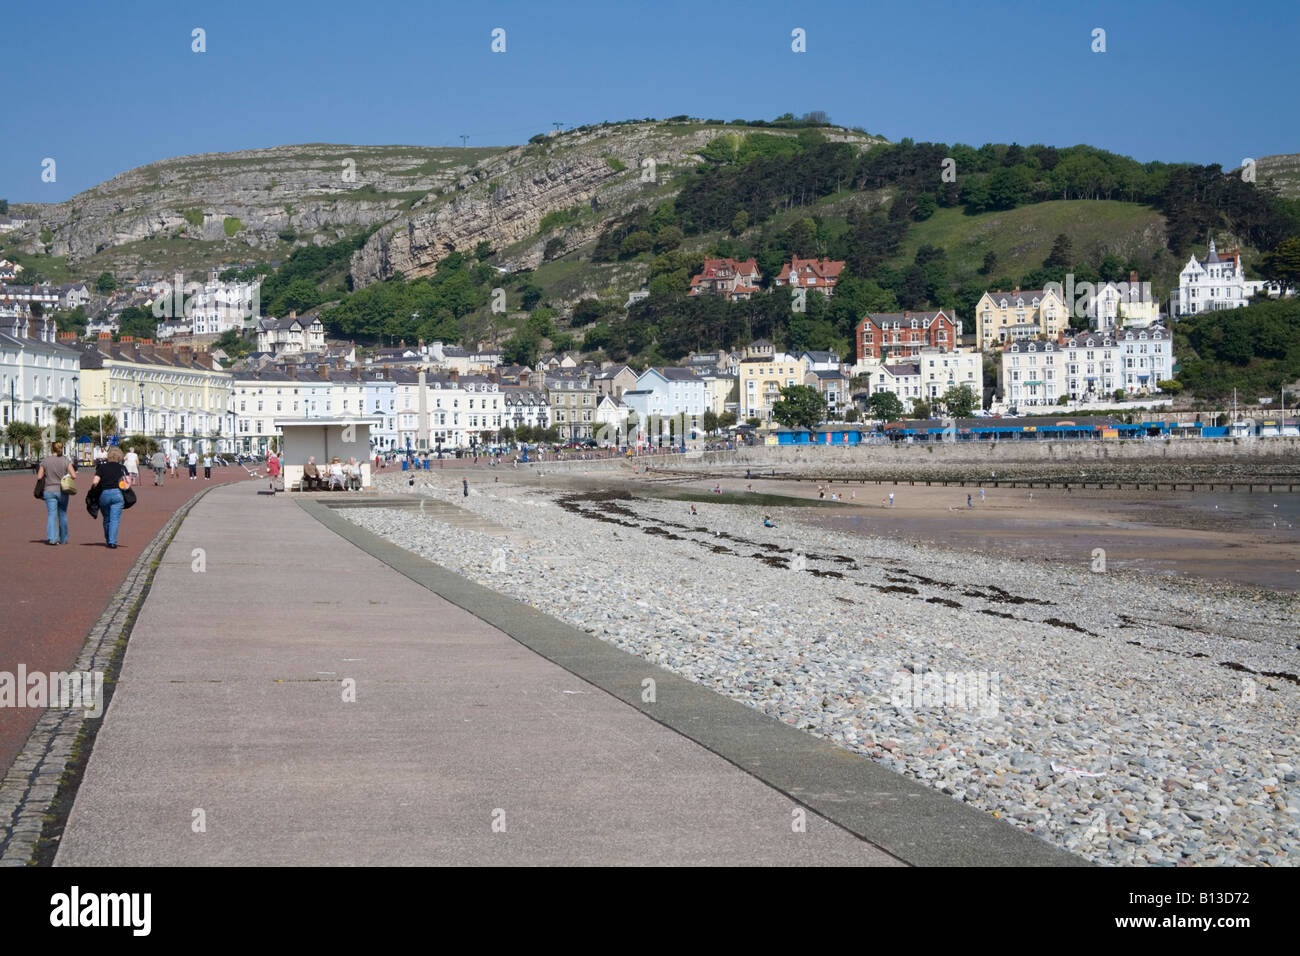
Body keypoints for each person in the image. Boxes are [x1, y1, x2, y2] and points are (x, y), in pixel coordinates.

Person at [37, 440, 76, 546]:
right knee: (62, 514)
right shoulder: (65, 460)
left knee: (51, 515)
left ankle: (52, 539)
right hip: (62, 490)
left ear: (51, 449)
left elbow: (39, 476)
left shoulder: (45, 461)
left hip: (49, 490)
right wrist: (65, 476)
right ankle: (63, 539)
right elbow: (74, 475)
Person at [91, 446, 129, 549]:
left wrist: (94, 488)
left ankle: (108, 538)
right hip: (117, 494)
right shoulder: (122, 468)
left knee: (106, 518)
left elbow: (95, 482)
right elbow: (127, 484)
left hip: (104, 494)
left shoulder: (102, 467)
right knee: (115, 519)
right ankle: (112, 541)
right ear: (120, 456)